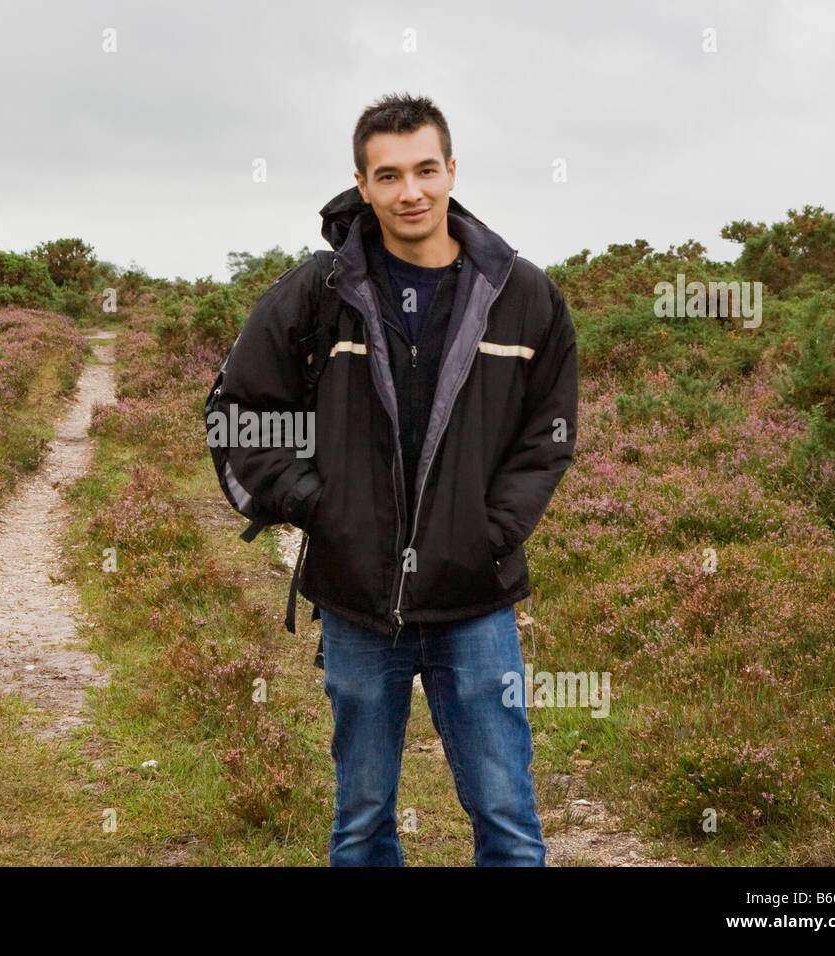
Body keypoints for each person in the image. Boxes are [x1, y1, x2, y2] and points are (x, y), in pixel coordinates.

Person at [212, 92, 578, 865]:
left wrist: (494, 532)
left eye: (424, 170)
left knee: (508, 818)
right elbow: (240, 412)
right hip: (357, 598)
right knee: (362, 820)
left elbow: (547, 437)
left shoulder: (523, 296)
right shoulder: (318, 292)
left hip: (476, 598)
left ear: (452, 171)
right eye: (388, 175)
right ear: (363, 182)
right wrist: (317, 504)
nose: (409, 191)